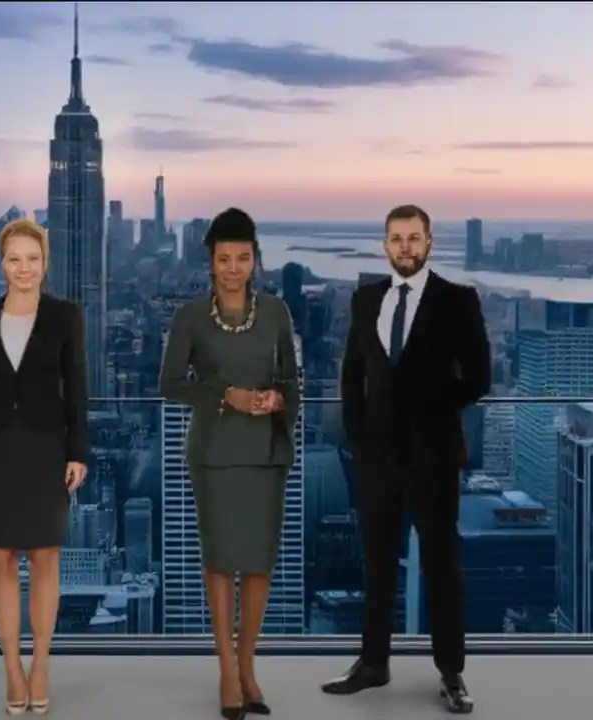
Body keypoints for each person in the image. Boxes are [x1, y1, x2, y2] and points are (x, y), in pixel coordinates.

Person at [321, 204, 490, 714]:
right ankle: (373, 663)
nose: (405, 248)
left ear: (430, 243)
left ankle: (451, 673)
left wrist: (432, 411)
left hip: (433, 454)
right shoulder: (365, 298)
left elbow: (478, 378)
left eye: (414, 238)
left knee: (441, 564)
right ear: (385, 244)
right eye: (396, 239)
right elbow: (352, 373)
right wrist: (356, 433)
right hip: (376, 457)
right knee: (375, 561)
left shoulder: (457, 300)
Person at [158, 207, 299, 720]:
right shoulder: (190, 317)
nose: (234, 268)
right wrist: (227, 396)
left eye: (243, 258)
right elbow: (170, 383)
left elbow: (291, 378)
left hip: (265, 450)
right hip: (215, 452)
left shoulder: (278, 313)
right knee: (221, 561)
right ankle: (224, 672)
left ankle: (247, 667)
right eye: (224, 259)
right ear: (211, 262)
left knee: (258, 562)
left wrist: (278, 403)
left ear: (255, 260)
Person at [0, 218, 89, 716]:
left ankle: (42, 664)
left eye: (33, 259)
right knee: (1, 559)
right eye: (15, 259)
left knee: (46, 557)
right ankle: (12, 668)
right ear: (2, 262)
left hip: (47, 449)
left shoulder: (65, 315)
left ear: (45, 263)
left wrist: (79, 451)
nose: (24, 268)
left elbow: (77, 387)